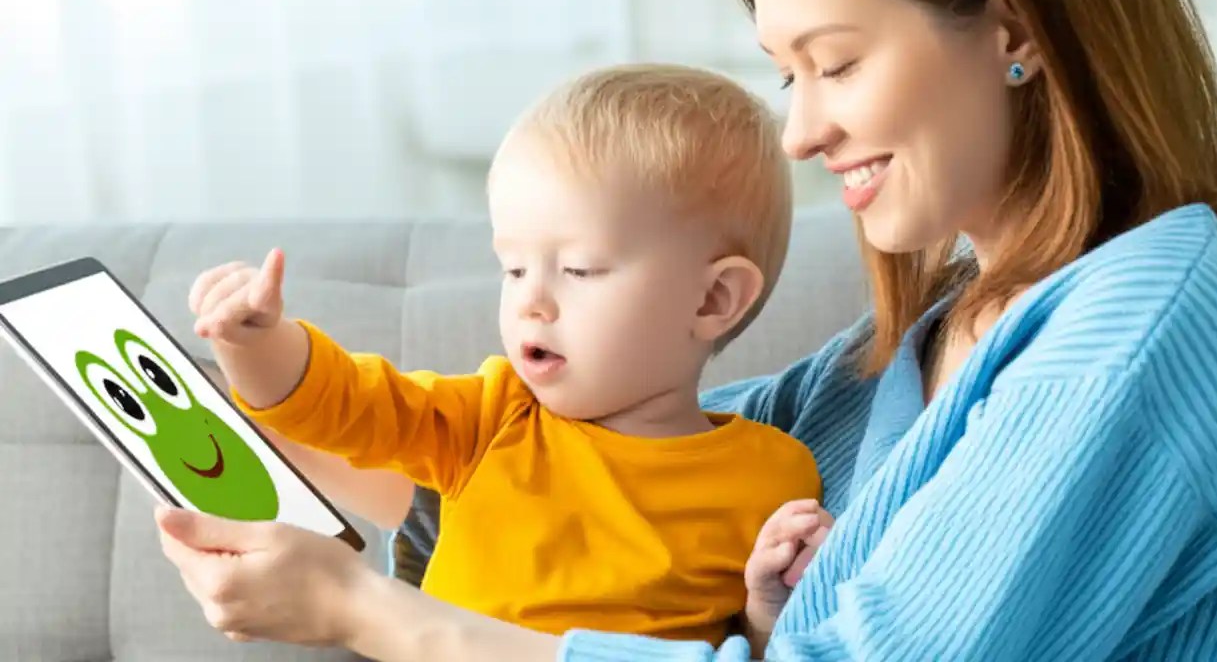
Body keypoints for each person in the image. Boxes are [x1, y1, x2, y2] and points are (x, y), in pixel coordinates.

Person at [154, 0, 1217, 660]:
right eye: (786, 75)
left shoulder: (1153, 323)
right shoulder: (905, 351)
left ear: (1015, 28)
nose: (797, 131)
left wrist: (375, 620)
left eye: (833, 63)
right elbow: (572, 462)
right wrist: (277, 400)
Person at [181, 62, 829, 651]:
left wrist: (767, 608)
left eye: (577, 269)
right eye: (513, 269)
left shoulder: (774, 478)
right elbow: (344, 406)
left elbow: (753, 647)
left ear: (713, 298)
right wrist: (257, 343)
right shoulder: (491, 416)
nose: (531, 303)